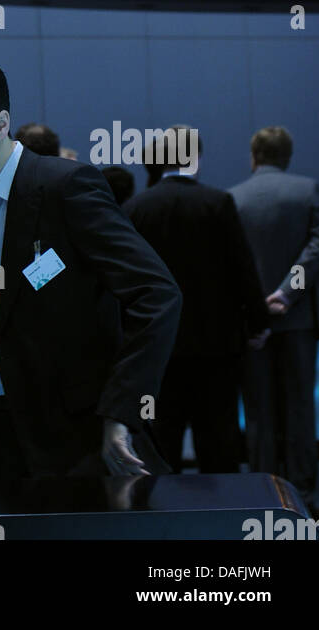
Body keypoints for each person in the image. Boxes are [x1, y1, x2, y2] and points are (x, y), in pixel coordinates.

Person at [0, 57, 181, 482]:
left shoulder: (66, 188)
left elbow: (157, 293)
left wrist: (122, 410)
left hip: (73, 443)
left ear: (2, 123)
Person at [125, 127, 269, 473]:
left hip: (159, 347)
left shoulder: (136, 208)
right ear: (195, 158)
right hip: (216, 345)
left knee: (162, 440)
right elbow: (242, 269)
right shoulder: (218, 203)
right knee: (219, 442)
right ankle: (223, 518)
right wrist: (259, 321)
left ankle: (163, 519)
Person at [229, 127, 319, 512]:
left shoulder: (232, 198)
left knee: (259, 411)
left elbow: (233, 263)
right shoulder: (309, 190)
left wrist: (258, 304)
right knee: (300, 408)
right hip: (296, 320)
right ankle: (305, 495)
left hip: (253, 325)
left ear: (253, 155)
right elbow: (316, 246)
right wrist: (287, 292)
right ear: (288, 155)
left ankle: (261, 494)